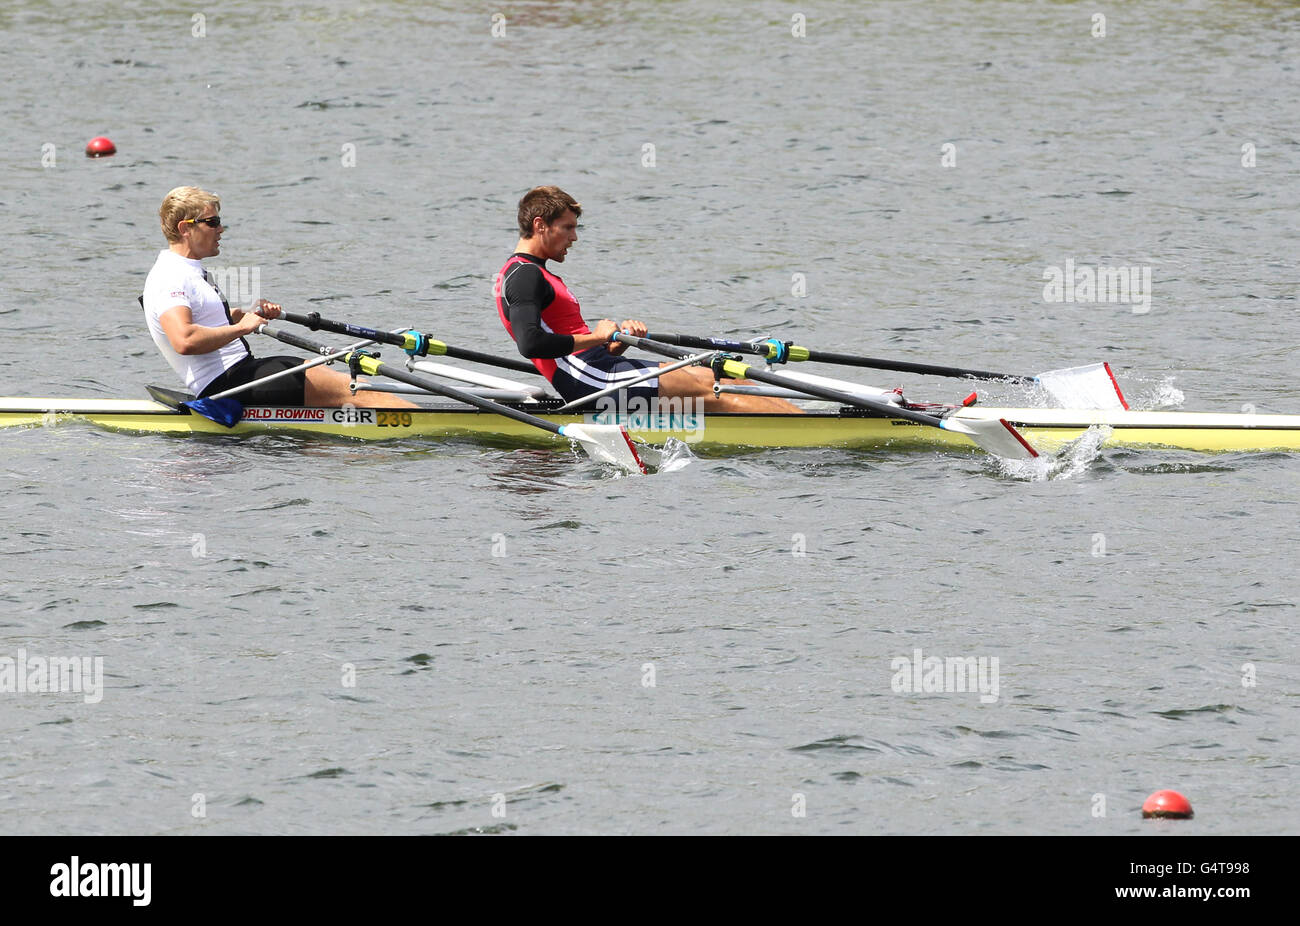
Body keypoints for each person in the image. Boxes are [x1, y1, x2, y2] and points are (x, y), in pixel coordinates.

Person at [494, 186, 801, 413]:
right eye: (568, 228)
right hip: (590, 381)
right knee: (717, 390)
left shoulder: (536, 273)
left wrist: (613, 343)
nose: (574, 238)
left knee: (730, 380)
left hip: (600, 367)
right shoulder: (524, 275)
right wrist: (597, 336)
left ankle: (807, 420)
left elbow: (560, 339)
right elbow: (531, 344)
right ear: (539, 225)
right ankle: (812, 436)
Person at [142, 186, 413, 408]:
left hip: (240, 372)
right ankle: (428, 423)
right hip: (226, 383)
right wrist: (241, 328)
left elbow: (209, 320)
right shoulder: (169, 277)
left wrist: (245, 314)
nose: (221, 229)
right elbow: (185, 340)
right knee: (356, 390)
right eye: (212, 222)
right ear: (185, 228)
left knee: (342, 384)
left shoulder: (189, 270)